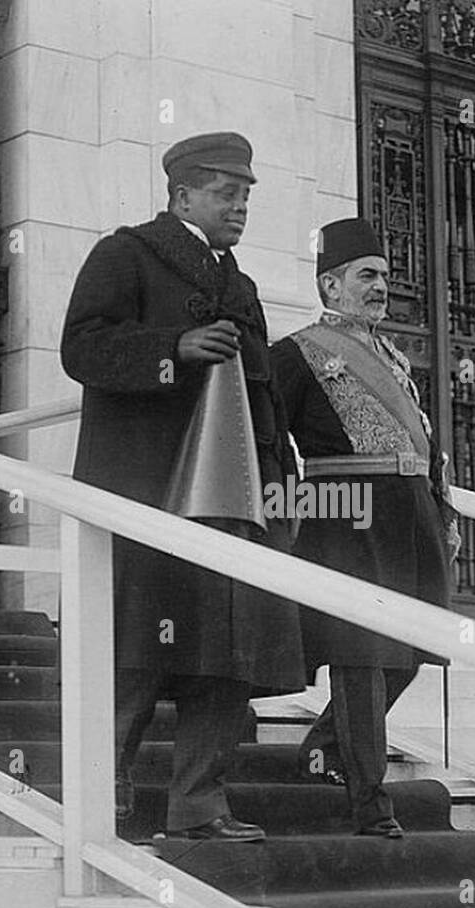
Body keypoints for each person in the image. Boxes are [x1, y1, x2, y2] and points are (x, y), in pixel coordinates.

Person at [60, 131, 305, 842]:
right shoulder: (125, 255)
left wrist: (282, 480)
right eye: (226, 193)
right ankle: (98, 791)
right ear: (181, 195)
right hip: (148, 494)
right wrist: (171, 350)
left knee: (227, 657)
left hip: (234, 504)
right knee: (136, 652)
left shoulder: (244, 287)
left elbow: (265, 399)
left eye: (246, 196)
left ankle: (199, 803)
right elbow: (82, 347)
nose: (240, 208)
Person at [272, 217, 460, 838]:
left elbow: (426, 444)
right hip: (347, 514)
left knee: (407, 650)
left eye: (383, 276)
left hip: (411, 513)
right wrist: (285, 508)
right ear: (331, 285)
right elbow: (267, 438)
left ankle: (324, 746)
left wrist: (445, 512)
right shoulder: (294, 353)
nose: (381, 287)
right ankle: (368, 802)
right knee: (361, 656)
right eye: (367, 276)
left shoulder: (394, 356)